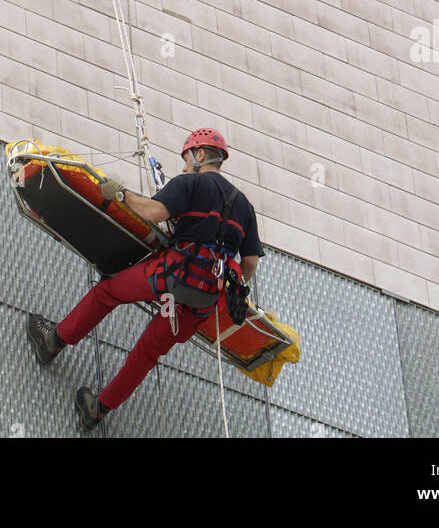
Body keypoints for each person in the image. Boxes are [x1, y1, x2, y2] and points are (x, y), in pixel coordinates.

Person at [25, 127, 264, 433]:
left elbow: (153, 212)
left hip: (172, 276)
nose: (183, 166)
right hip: (202, 300)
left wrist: (120, 194)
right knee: (148, 353)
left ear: (200, 155)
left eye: (187, 159)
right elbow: (250, 263)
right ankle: (97, 410)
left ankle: (53, 341)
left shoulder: (190, 183)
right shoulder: (245, 207)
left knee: (108, 293)